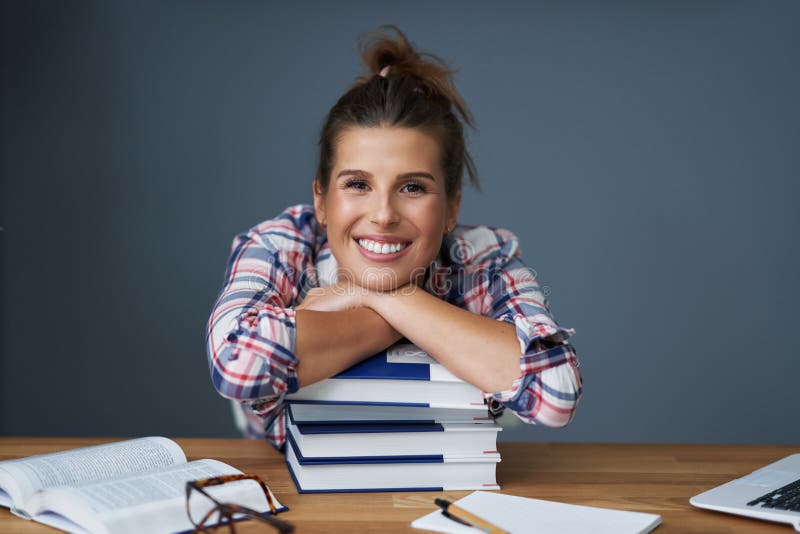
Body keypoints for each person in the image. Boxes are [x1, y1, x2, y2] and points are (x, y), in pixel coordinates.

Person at [205, 25, 582, 449]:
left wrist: (384, 296)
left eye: (413, 188)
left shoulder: (482, 256)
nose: (383, 215)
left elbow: (555, 394)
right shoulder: (282, 245)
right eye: (358, 185)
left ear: (452, 208)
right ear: (322, 201)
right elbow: (239, 363)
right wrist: (397, 312)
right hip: (293, 485)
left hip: (439, 483)